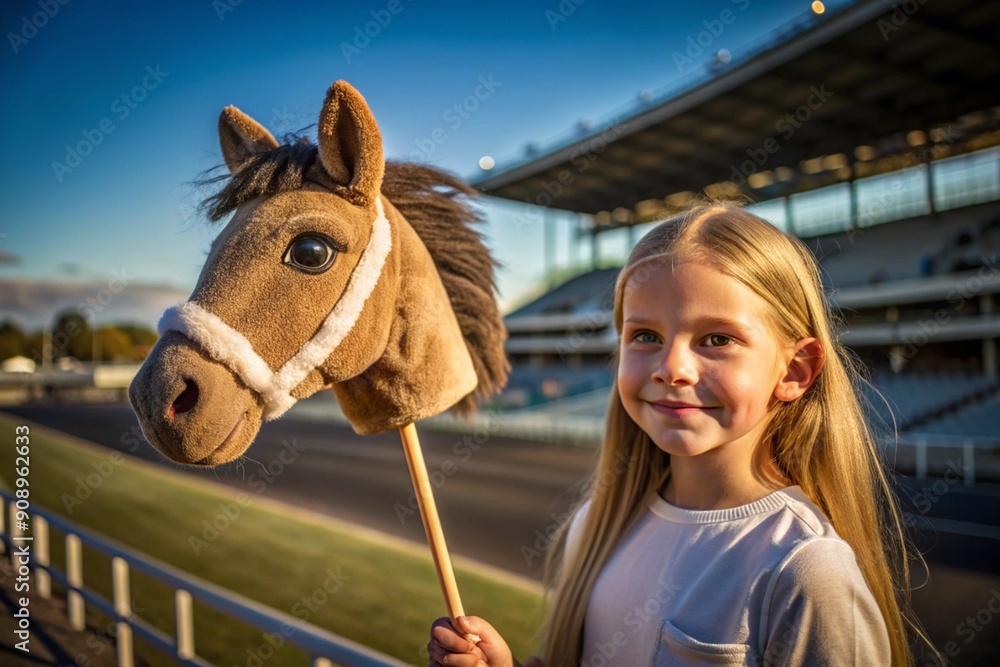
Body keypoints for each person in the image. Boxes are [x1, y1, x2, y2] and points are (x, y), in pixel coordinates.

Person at [428, 203, 930, 666]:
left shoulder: (806, 569)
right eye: (646, 336)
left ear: (795, 369)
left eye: (717, 339)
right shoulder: (598, 523)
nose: (671, 368)